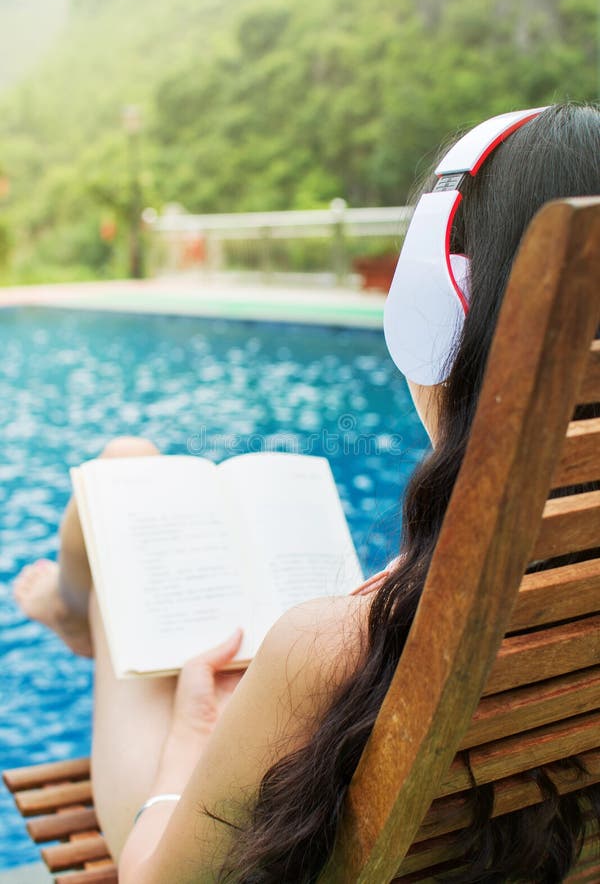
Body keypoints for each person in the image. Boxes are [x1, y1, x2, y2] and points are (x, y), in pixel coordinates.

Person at [14, 103, 600, 883]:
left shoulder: (332, 649)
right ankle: (78, 606)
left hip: (180, 831)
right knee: (126, 472)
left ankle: (81, 614)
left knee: (122, 475)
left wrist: (190, 738)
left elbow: (155, 879)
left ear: (433, 311)